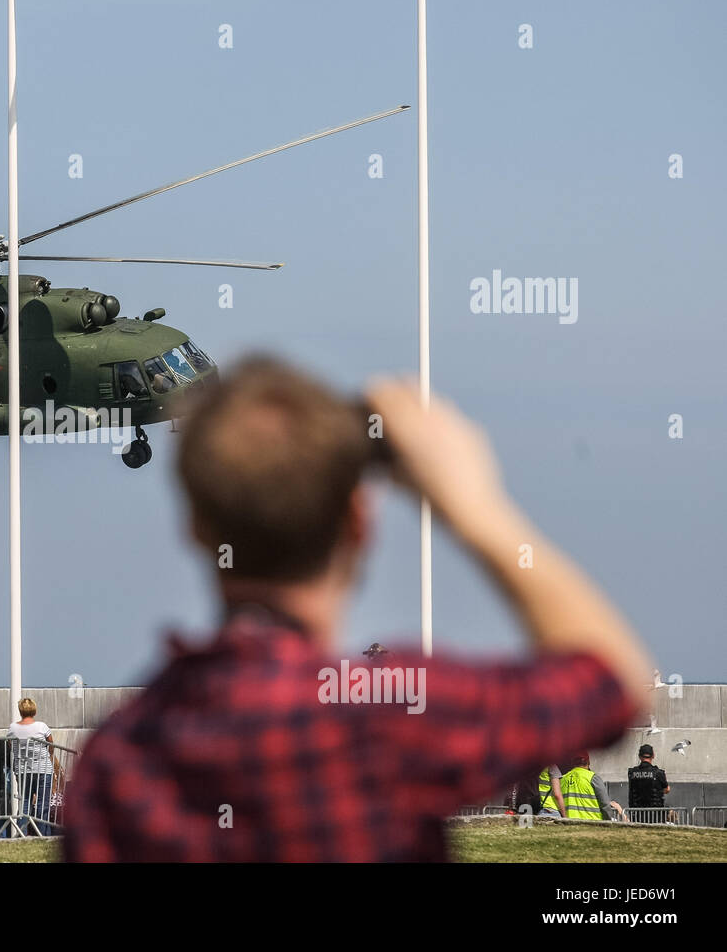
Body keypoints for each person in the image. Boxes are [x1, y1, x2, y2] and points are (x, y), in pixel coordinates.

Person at [63, 359, 652, 861]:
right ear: (359, 523)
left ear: (194, 527)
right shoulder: (392, 712)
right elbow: (612, 681)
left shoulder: (116, 763)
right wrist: (475, 508)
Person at [8, 698, 61, 836]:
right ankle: (43, 834)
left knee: (24, 803)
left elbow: (10, 746)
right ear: (34, 710)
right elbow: (51, 744)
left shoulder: (13, 728)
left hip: (23, 769)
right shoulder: (42, 726)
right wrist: (48, 757)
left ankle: (22, 833)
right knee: (43, 805)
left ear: (20, 711)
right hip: (43, 769)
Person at [560, 752, 626, 821]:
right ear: (588, 762)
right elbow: (605, 804)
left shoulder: (563, 779)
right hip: (592, 823)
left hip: (569, 823)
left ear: (572, 763)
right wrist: (609, 820)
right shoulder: (593, 778)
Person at [627, 744, 671, 821]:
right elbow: (667, 789)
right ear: (653, 756)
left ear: (639, 756)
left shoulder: (632, 772)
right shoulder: (658, 773)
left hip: (637, 815)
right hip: (656, 816)